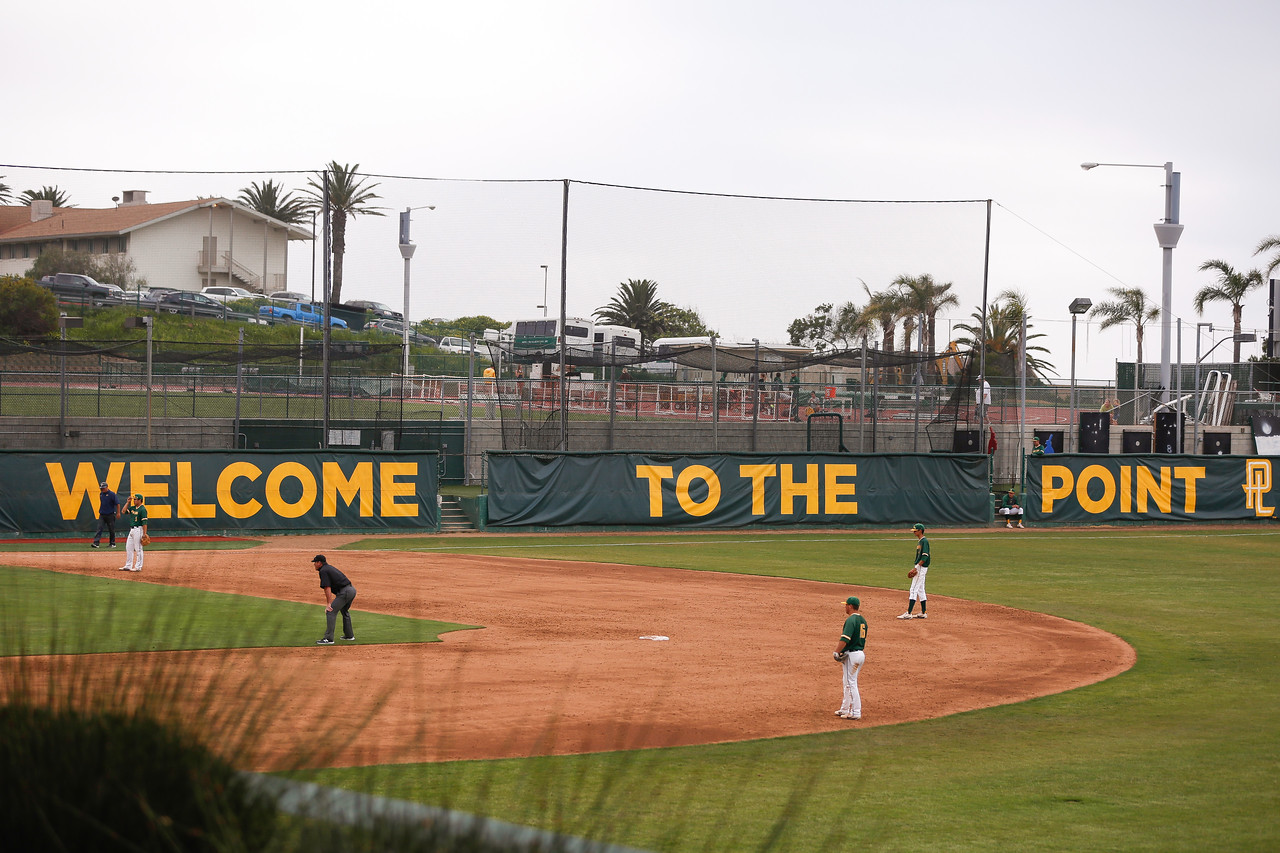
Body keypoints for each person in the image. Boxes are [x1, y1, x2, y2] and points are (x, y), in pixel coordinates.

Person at [832, 596, 867, 720]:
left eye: (846, 605)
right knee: (847, 681)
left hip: (852, 656)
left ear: (850, 606)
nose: (845, 607)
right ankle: (845, 708)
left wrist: (837, 652)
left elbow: (845, 639)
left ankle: (856, 712)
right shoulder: (862, 620)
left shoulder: (851, 620)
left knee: (851, 683)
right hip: (858, 654)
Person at [313, 554, 357, 645]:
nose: (314, 565)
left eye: (315, 563)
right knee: (344, 611)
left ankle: (329, 639)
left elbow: (327, 587)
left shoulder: (323, 571)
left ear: (319, 563)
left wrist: (329, 603)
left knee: (330, 611)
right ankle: (349, 635)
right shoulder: (328, 568)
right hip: (351, 590)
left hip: (345, 592)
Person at [897, 523, 930, 619]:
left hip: (921, 567)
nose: (914, 532)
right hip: (920, 567)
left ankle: (909, 613)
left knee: (913, 589)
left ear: (920, 531)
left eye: (915, 530)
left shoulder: (924, 541)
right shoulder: (921, 541)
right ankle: (924, 612)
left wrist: (916, 567)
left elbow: (925, 556)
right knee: (920, 589)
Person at [118, 493, 148, 572]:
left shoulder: (142, 509)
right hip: (132, 530)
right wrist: (128, 502)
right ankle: (128, 565)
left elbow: (144, 523)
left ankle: (138, 566)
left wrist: (144, 534)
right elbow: (123, 511)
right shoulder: (133, 508)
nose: (134, 500)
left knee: (138, 549)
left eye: (136, 499)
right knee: (129, 547)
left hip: (139, 529)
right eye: (134, 499)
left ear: (140, 500)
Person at [91, 480, 120, 549]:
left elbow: (117, 503)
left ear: (107, 487)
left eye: (103, 488)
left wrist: (118, 513)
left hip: (110, 514)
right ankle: (96, 543)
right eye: (101, 488)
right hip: (102, 514)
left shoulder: (112, 494)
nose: (102, 489)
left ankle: (112, 543)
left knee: (111, 530)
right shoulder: (101, 494)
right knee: (99, 528)